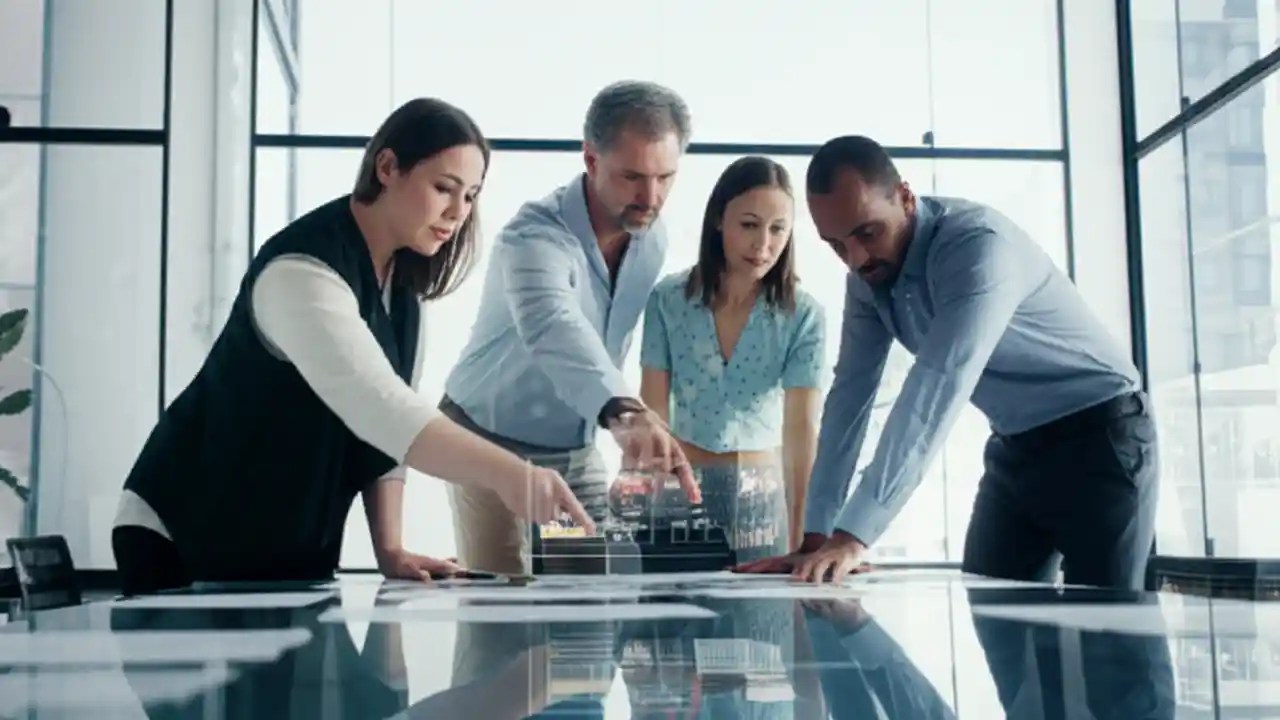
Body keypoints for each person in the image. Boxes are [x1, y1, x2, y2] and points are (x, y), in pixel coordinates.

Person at [112, 98, 594, 596]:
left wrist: (391, 549)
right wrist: (511, 474)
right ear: (387, 167)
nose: (458, 212)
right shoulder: (300, 270)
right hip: (185, 531)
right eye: (443, 188)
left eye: (470, 196)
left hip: (280, 544)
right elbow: (383, 412)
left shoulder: (403, 289)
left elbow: (384, 436)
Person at [737, 135, 1157, 590]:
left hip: (1103, 438)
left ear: (905, 197)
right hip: (1016, 447)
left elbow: (933, 393)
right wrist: (817, 538)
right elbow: (850, 399)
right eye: (836, 245)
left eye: (867, 232)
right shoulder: (865, 276)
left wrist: (854, 535)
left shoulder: (978, 248)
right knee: (996, 619)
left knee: (1113, 637)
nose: (855, 258)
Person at [438, 80, 698, 576]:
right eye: (632, 177)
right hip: (487, 442)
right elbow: (554, 325)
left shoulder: (652, 238)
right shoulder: (532, 238)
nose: (652, 196)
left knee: (585, 589)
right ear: (591, 159)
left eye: (666, 176)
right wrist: (627, 413)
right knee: (501, 605)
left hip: (573, 451)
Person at [638, 156, 825, 561]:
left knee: (762, 619)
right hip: (679, 489)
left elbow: (801, 431)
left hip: (762, 495)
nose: (763, 245)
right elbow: (652, 410)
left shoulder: (803, 315)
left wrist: (801, 534)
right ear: (718, 220)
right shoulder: (668, 300)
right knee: (673, 615)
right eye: (749, 225)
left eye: (778, 230)